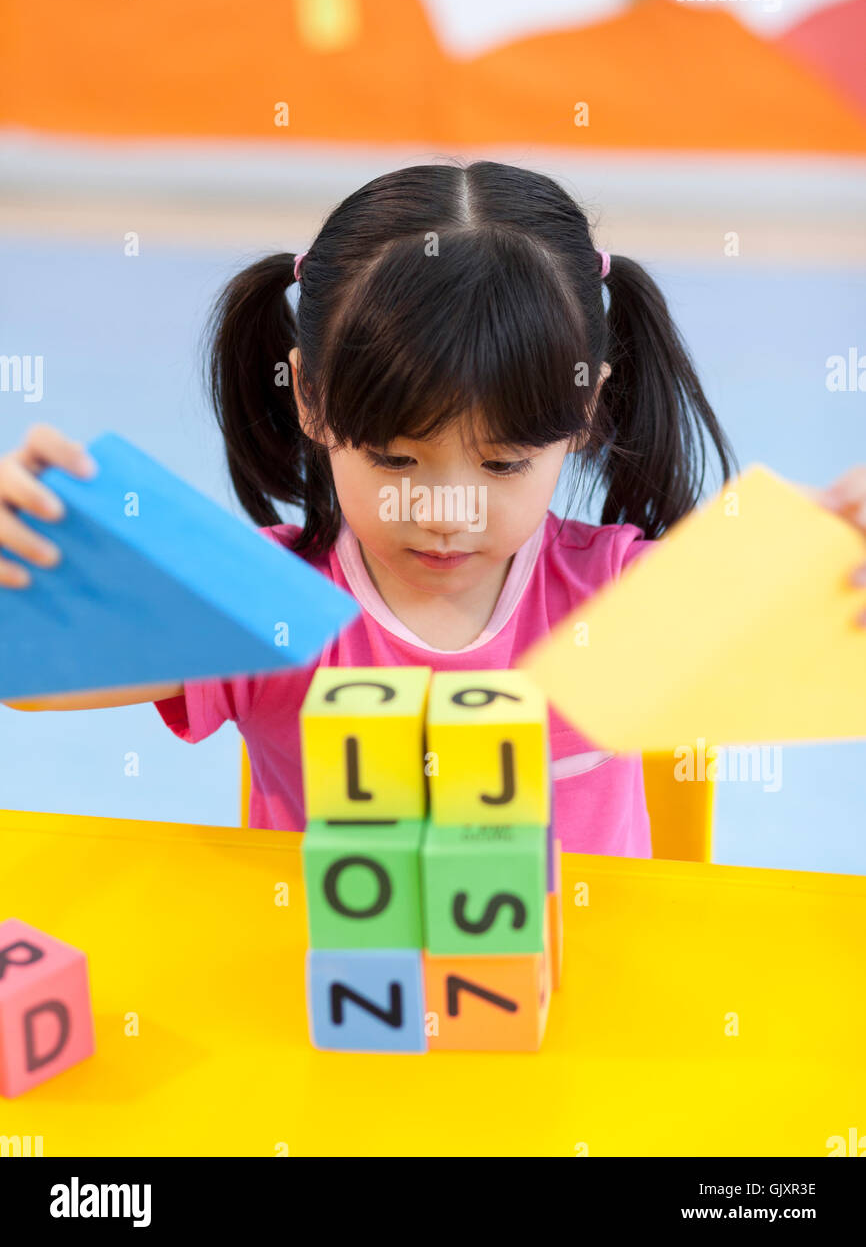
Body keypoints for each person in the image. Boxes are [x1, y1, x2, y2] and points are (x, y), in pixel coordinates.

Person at [2, 162, 864, 854]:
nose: (447, 509)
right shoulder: (261, 602)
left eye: (503, 464)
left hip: (578, 1038)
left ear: (586, 408)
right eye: (394, 458)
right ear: (308, 396)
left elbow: (824, 648)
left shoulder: (629, 601)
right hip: (332, 1033)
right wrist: (29, 560)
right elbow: (34, 677)